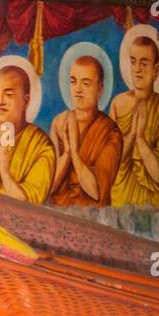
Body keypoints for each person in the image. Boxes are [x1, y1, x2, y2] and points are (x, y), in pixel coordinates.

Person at [0, 64, 55, 205]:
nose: (0, 101)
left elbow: (30, 205)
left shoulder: (42, 146)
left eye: (8, 95)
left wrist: (5, 172)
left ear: (26, 101)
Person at [109, 35, 159, 208]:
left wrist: (140, 138)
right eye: (133, 62)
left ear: (156, 70)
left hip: (153, 207)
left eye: (144, 63)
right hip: (121, 200)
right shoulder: (118, 104)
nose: (137, 69)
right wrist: (131, 135)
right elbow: (112, 163)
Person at [49, 55, 122, 208]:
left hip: (91, 217)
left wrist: (75, 154)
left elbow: (96, 191)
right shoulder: (59, 123)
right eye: (73, 82)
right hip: (57, 211)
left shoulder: (110, 132)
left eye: (86, 83)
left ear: (100, 89)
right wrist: (67, 153)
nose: (78, 90)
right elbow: (50, 186)